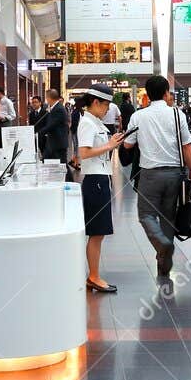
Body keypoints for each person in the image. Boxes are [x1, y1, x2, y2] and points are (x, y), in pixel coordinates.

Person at [122, 74, 191, 286]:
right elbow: (187, 146)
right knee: (168, 217)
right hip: (175, 173)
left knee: (146, 215)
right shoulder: (177, 114)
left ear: (147, 94)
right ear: (166, 93)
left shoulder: (139, 116)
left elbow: (128, 145)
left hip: (150, 174)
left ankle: (162, 244)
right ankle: (163, 263)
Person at [75, 86, 127, 293]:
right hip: (95, 179)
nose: (108, 110)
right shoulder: (87, 123)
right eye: (106, 105)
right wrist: (110, 145)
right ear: (96, 103)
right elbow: (84, 153)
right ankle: (94, 276)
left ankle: (94, 275)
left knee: (99, 232)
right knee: (97, 232)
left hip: (101, 178)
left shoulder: (95, 122)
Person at [38, 90, 71, 175]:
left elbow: (51, 125)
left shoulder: (59, 109)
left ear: (49, 98)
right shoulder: (54, 108)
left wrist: (39, 133)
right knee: (46, 160)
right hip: (53, 142)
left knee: (63, 165)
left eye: (46, 97)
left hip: (58, 143)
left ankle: (70, 182)